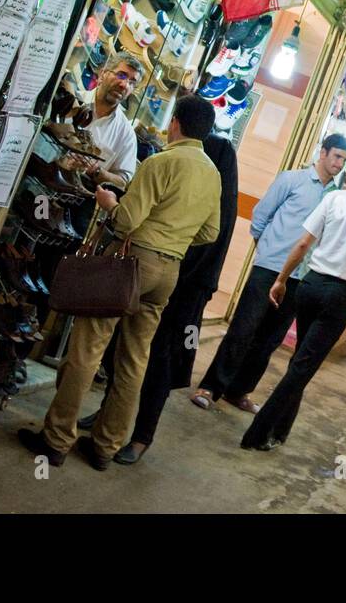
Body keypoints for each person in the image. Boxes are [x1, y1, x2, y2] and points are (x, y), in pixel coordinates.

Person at [18, 95, 222, 470]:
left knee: (88, 349)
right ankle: (104, 447)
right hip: (168, 272)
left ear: (175, 122)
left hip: (131, 262)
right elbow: (209, 232)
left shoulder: (161, 162)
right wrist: (172, 239)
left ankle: (56, 439)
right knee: (133, 361)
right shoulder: (212, 172)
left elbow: (127, 220)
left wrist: (108, 199)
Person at [79, 133, 239, 465]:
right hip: (169, 276)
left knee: (155, 362)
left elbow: (208, 239)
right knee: (127, 354)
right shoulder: (205, 179)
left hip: (186, 292)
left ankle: (140, 437)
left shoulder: (209, 184)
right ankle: (108, 425)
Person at [240, 154, 346, 450]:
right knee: (303, 365)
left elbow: (303, 243)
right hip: (341, 295)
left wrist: (281, 279)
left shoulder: (336, 198)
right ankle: (258, 433)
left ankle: (280, 430)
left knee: (300, 359)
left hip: (311, 285)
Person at [193, 134, 346, 411]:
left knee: (270, 339)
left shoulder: (336, 198)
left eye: (345, 160)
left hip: (301, 277)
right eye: (337, 156)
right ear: (323, 152)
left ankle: (238, 391)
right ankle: (210, 387)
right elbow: (261, 216)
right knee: (244, 329)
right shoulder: (292, 180)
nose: (341, 164)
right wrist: (266, 251)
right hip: (269, 268)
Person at [82, 51, 143, 187]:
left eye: (132, 83)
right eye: (121, 75)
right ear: (103, 74)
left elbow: (123, 180)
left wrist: (97, 171)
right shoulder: (75, 101)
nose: (124, 85)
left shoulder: (126, 134)